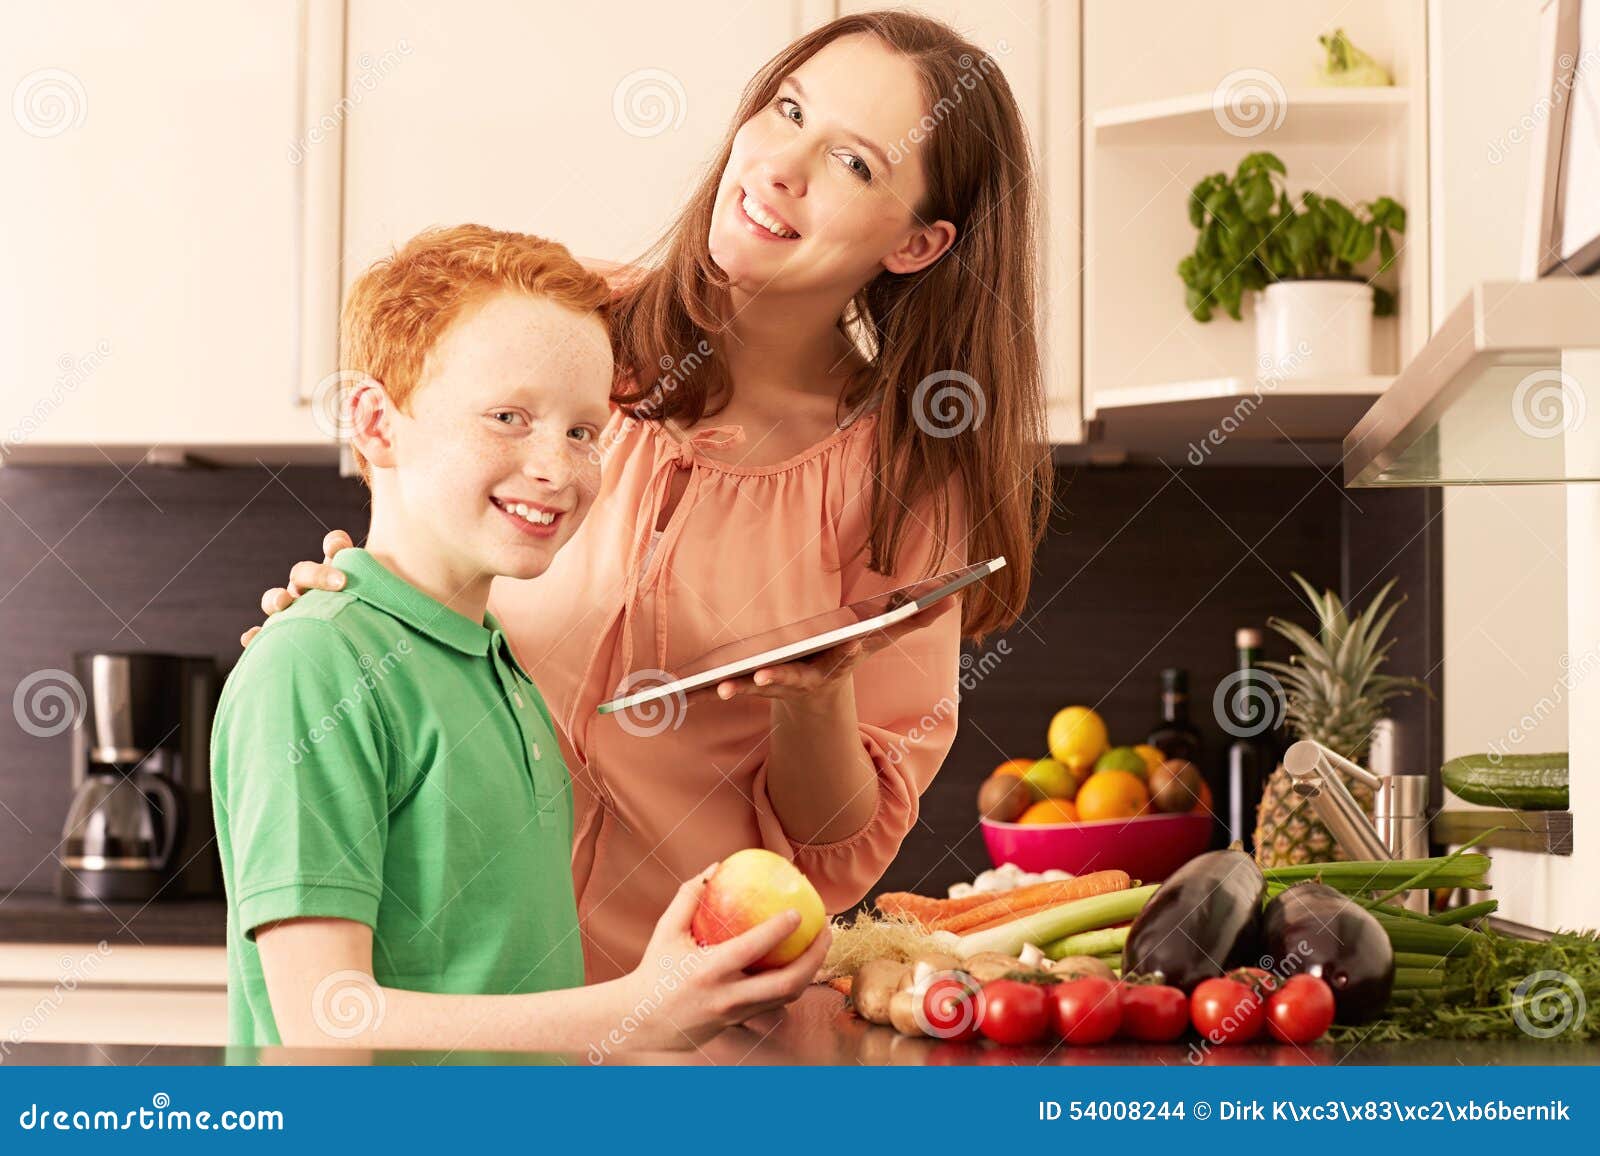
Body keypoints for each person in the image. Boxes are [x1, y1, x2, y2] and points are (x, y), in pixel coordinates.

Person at [246, 11, 1050, 983]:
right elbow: (414, 511)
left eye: (852, 163)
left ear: (918, 243)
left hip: (686, 1019)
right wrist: (349, 617)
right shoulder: (561, 326)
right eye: (787, 110)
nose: (781, 167)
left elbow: (835, 847)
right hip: (454, 998)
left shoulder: (905, 479)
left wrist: (817, 699)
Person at [213, 225, 826, 1052]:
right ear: (377, 422)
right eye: (508, 417)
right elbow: (322, 1020)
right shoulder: (314, 663)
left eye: (583, 432)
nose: (557, 469)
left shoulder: (498, 663)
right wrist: (636, 1013)